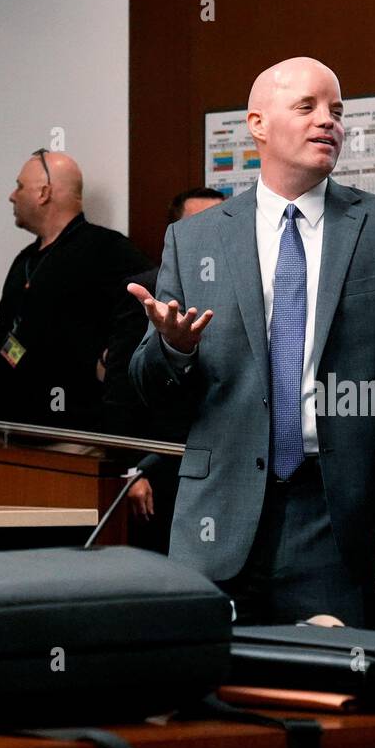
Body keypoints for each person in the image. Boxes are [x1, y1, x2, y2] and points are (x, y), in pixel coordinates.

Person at [128, 57, 375, 626]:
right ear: (257, 124)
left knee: (333, 700)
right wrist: (173, 350)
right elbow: (156, 397)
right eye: (308, 107)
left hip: (340, 524)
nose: (329, 122)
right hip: (216, 522)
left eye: (337, 111)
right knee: (211, 703)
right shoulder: (193, 238)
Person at [0, 149, 153, 432]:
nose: (12, 196)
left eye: (20, 186)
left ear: (43, 193)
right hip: (10, 436)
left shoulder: (107, 249)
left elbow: (151, 309)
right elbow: (5, 337)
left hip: (73, 439)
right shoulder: (24, 260)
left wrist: (109, 362)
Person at [111, 187, 227, 552]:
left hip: (225, 467)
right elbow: (121, 386)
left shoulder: (241, 286)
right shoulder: (148, 288)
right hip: (160, 467)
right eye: (200, 225)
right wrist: (129, 468)